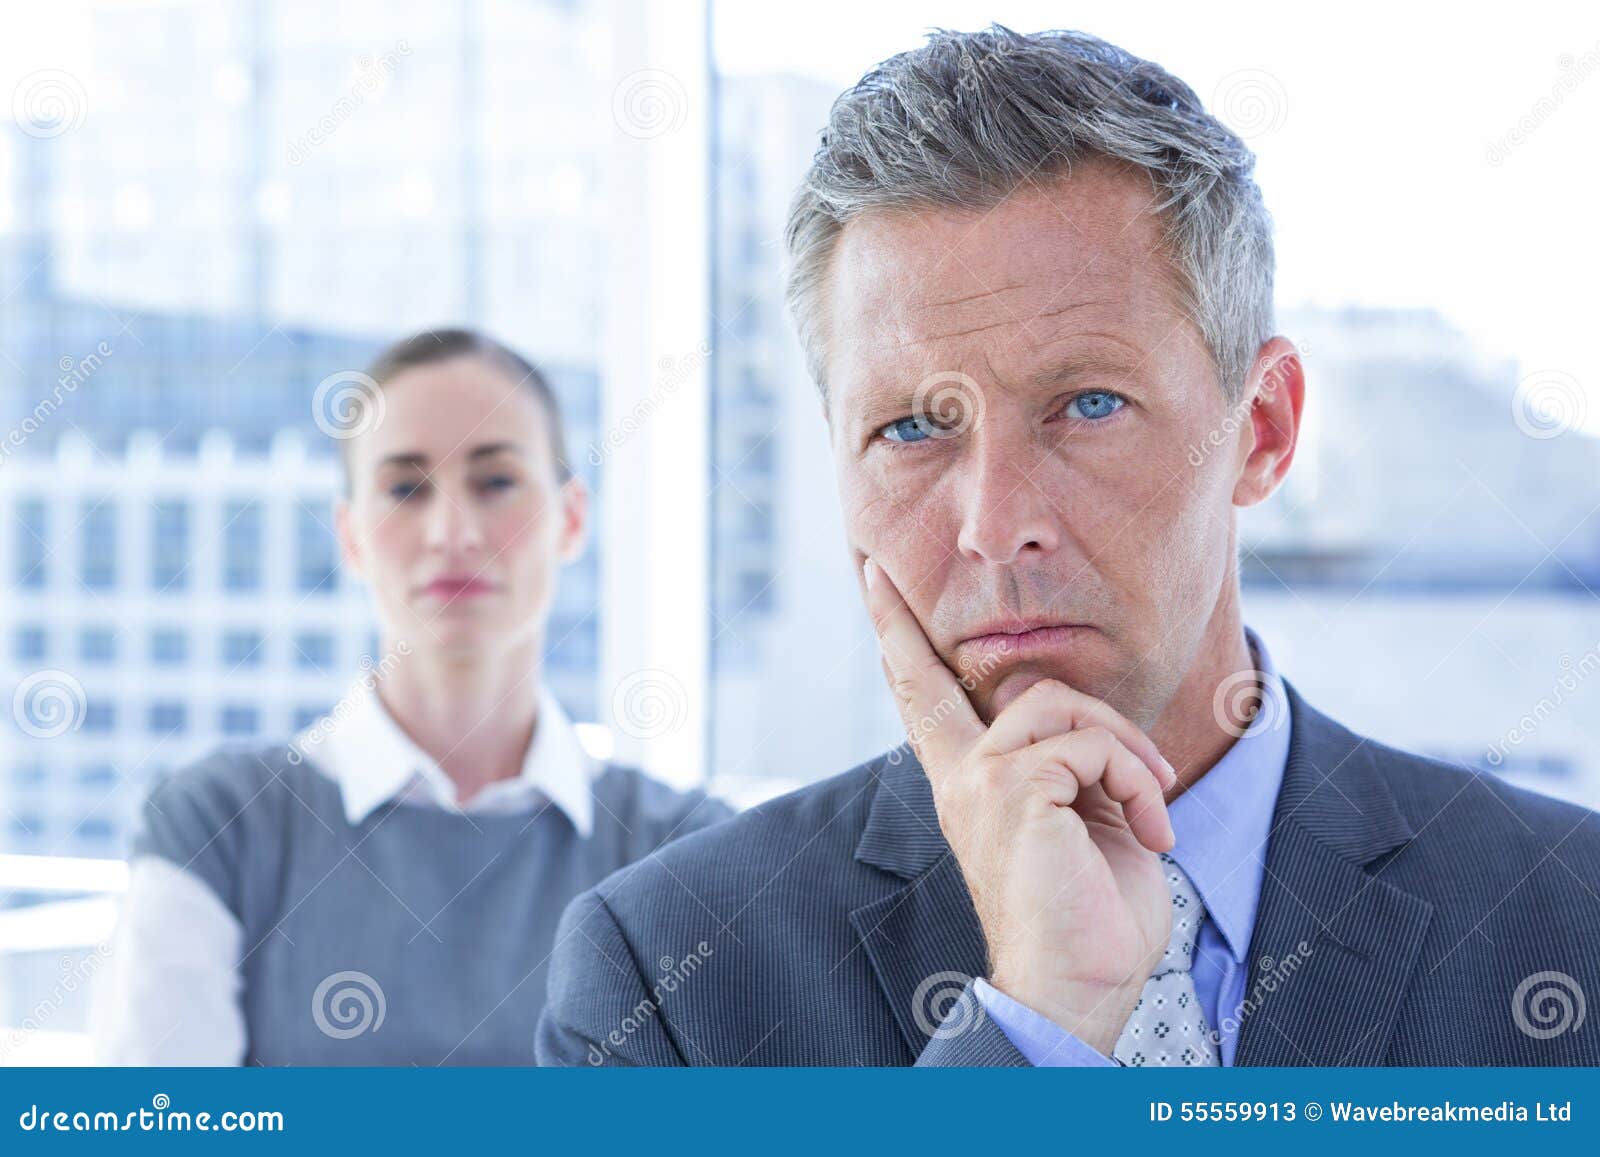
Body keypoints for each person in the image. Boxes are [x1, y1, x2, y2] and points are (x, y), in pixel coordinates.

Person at [536, 27, 1600, 1067]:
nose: (994, 523)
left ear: (1262, 428)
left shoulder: (1569, 915)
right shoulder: (669, 981)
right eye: (911, 427)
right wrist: (1035, 1024)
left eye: (1086, 403)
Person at [93, 328, 731, 1065]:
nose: (452, 531)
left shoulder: (683, 849)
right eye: (404, 488)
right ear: (352, 536)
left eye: (495, 482)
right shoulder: (219, 829)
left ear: (572, 517)